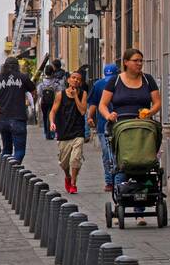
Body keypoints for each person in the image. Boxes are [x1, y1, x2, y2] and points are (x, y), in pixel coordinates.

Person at [98, 48, 162, 224]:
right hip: (121, 127)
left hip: (142, 127)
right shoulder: (115, 81)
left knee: (142, 164)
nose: (139, 64)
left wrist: (150, 111)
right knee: (122, 166)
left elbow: (157, 102)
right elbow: (103, 104)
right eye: (136, 60)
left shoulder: (148, 80)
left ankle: (140, 210)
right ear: (126, 62)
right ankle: (121, 205)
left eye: (141, 61)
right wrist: (108, 116)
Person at [0, 57, 36, 163]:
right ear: (17, 66)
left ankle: (5, 173)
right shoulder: (23, 77)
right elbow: (33, 91)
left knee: (6, 149)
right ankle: (13, 170)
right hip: (19, 117)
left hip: (4, 117)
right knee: (19, 151)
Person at [49, 69, 88, 193]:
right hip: (64, 132)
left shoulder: (83, 94)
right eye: (73, 77)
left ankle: (73, 183)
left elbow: (82, 111)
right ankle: (67, 176)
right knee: (64, 164)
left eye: (78, 79)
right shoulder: (60, 94)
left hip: (78, 132)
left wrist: (76, 96)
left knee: (75, 159)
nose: (76, 80)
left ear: (80, 82)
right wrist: (52, 122)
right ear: (68, 80)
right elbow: (53, 111)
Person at [88, 63, 119, 192]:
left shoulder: (122, 83)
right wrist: (90, 117)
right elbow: (94, 103)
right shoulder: (98, 85)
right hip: (104, 125)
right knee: (107, 154)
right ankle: (109, 181)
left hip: (119, 124)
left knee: (115, 154)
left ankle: (118, 181)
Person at [37, 66, 63, 141]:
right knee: (53, 116)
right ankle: (52, 133)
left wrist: (43, 96)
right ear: (52, 72)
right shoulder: (55, 82)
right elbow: (60, 90)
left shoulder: (42, 82)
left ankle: (46, 133)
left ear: (45, 72)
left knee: (45, 117)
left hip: (44, 102)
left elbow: (39, 92)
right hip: (53, 101)